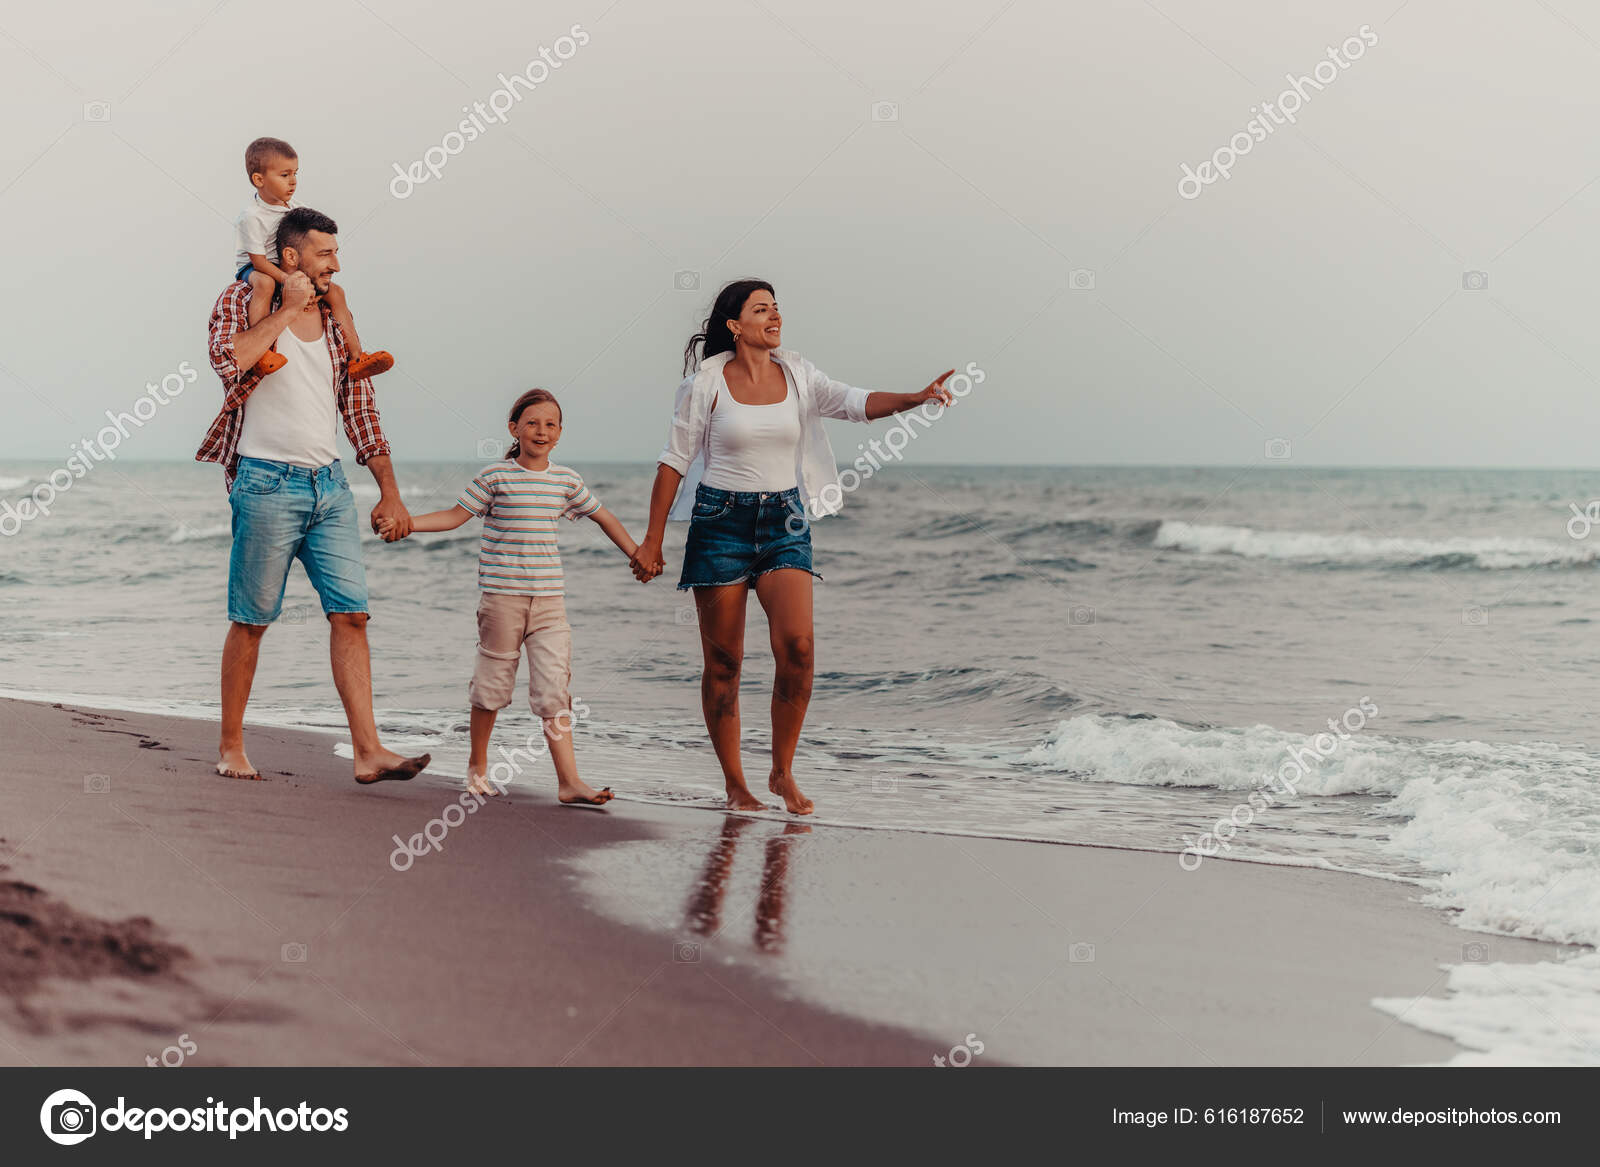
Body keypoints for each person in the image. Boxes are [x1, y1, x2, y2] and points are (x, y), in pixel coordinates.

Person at [630, 279, 954, 815]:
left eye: (776, 307)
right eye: (762, 309)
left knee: (798, 648)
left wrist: (915, 399)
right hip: (719, 522)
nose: (774, 316)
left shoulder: (800, 373)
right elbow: (674, 459)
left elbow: (856, 403)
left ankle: (781, 770)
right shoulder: (705, 383)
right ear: (736, 325)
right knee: (724, 663)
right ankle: (736, 782)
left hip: (786, 521)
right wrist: (653, 538)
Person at [197, 205, 428, 785]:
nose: (337, 263)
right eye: (326, 253)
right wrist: (288, 309)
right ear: (292, 256)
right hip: (264, 483)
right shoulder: (243, 297)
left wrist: (389, 492)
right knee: (251, 621)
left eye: (336, 251)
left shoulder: (334, 316)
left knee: (352, 614)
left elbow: (360, 408)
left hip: (329, 487)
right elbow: (230, 362)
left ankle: (369, 750)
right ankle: (231, 746)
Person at [379, 389, 637, 806]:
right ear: (514, 429)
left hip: (550, 603)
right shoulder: (495, 477)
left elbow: (603, 516)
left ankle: (570, 782)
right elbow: (453, 516)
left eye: (550, 424)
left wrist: (638, 555)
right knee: (491, 687)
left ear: (560, 433)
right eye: (532, 423)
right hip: (501, 601)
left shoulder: (566, 480)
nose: (542, 430)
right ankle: (477, 767)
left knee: (555, 690)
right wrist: (408, 524)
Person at [233, 136, 392, 381]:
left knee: (336, 292)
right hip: (255, 267)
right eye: (285, 175)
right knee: (265, 284)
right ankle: (264, 352)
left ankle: (358, 358)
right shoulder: (251, 217)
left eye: (295, 173)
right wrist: (288, 280)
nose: (293, 181)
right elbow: (259, 262)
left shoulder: (295, 207)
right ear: (259, 180)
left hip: (283, 266)